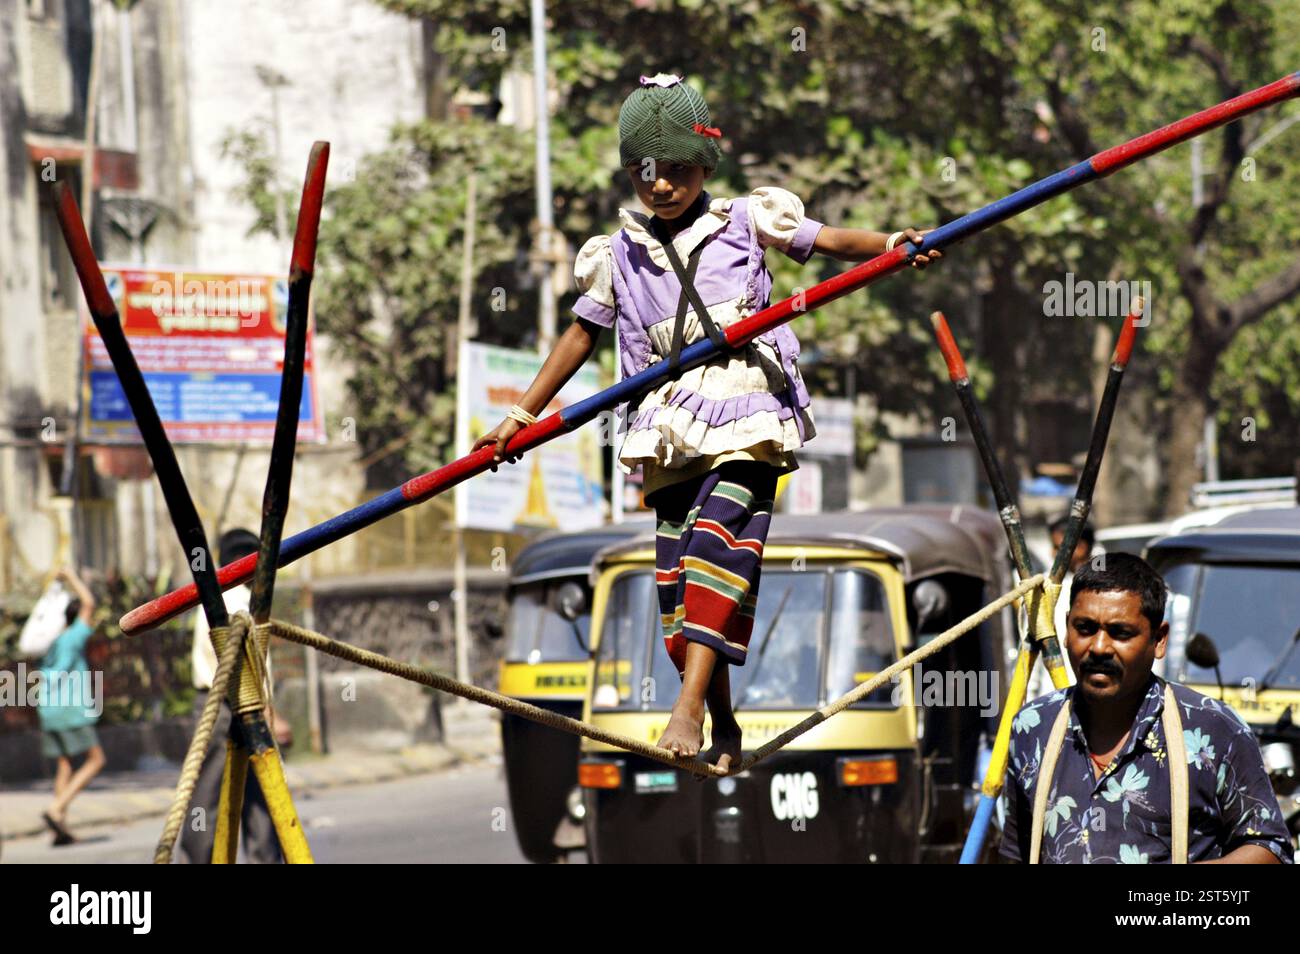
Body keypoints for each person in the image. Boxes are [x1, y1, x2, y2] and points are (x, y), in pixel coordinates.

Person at [473, 72, 940, 771]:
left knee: (717, 552)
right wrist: (518, 416)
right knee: (677, 589)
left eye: (679, 170)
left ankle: (688, 707)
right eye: (647, 173)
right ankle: (723, 716)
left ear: (705, 166)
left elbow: (826, 239)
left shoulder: (748, 222)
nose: (663, 187)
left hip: (746, 408)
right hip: (667, 426)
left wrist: (890, 246)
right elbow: (579, 337)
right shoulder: (618, 254)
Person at [1000, 553, 1292, 864]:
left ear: (1159, 639)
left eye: (1120, 633)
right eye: (1085, 628)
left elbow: (1271, 849)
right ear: (1066, 630)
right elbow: (1014, 852)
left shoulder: (1214, 729)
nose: (1099, 647)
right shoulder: (1032, 727)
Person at [178, 528, 289, 864]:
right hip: (225, 706)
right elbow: (240, 668)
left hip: (241, 704)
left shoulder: (225, 598)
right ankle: (204, 858)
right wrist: (271, 713)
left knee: (256, 790)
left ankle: (260, 856)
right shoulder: (234, 603)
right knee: (212, 793)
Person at [37, 567, 105, 847]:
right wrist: (72, 576)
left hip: (47, 706)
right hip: (69, 708)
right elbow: (89, 602)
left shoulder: (47, 639)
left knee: (64, 764)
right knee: (96, 759)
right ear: (76, 615)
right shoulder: (73, 636)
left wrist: (54, 583)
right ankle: (56, 809)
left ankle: (59, 829)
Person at [1026, 515, 1096, 698]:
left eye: (1058, 548)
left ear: (1080, 547)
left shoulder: (1107, 585)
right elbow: (1032, 646)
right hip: (1053, 694)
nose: (1051, 554)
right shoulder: (1047, 587)